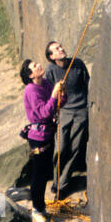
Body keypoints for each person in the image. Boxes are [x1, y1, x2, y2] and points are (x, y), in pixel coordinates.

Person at [20, 58, 64, 222]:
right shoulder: (31, 90)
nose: (39, 66)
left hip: (48, 134)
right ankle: (37, 210)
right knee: (38, 176)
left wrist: (61, 95)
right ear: (31, 75)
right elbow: (44, 113)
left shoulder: (45, 83)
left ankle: (41, 207)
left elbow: (56, 105)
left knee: (45, 173)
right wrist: (54, 95)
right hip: (37, 139)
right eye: (35, 67)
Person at [44, 41, 90, 200]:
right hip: (63, 112)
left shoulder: (77, 64)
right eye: (57, 49)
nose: (61, 49)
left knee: (75, 149)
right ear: (51, 56)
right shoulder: (50, 71)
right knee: (61, 149)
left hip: (81, 110)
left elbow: (88, 85)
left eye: (61, 46)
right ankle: (56, 181)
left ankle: (62, 185)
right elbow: (48, 95)